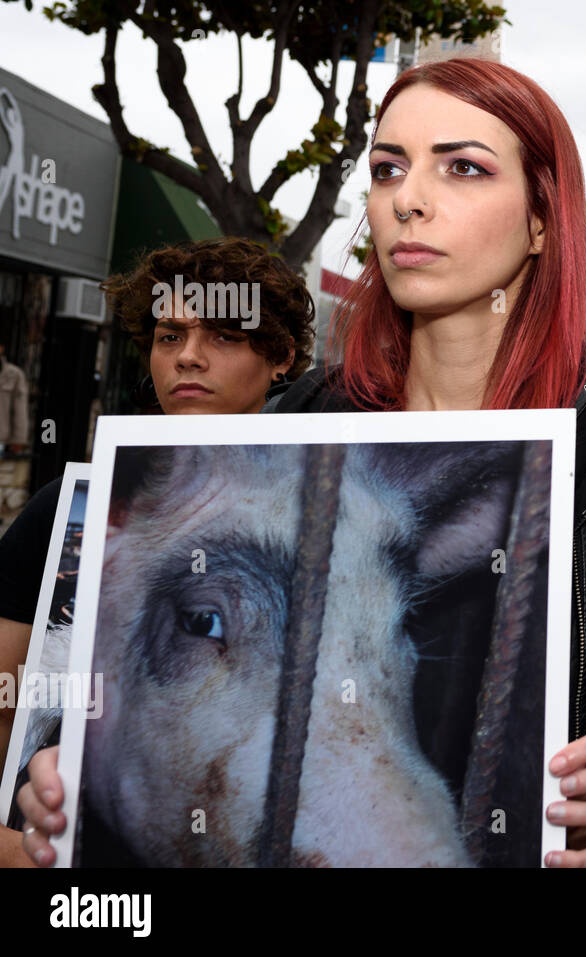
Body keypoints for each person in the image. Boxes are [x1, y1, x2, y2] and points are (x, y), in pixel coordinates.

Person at [22, 59, 586, 869]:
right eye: (389, 168)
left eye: (462, 166)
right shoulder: (296, 428)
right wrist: (69, 771)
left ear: (541, 220)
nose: (407, 198)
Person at [3, 236, 316, 866]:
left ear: (280, 356)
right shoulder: (68, 508)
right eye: (170, 336)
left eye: (223, 336)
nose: (188, 358)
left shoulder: (323, 522)